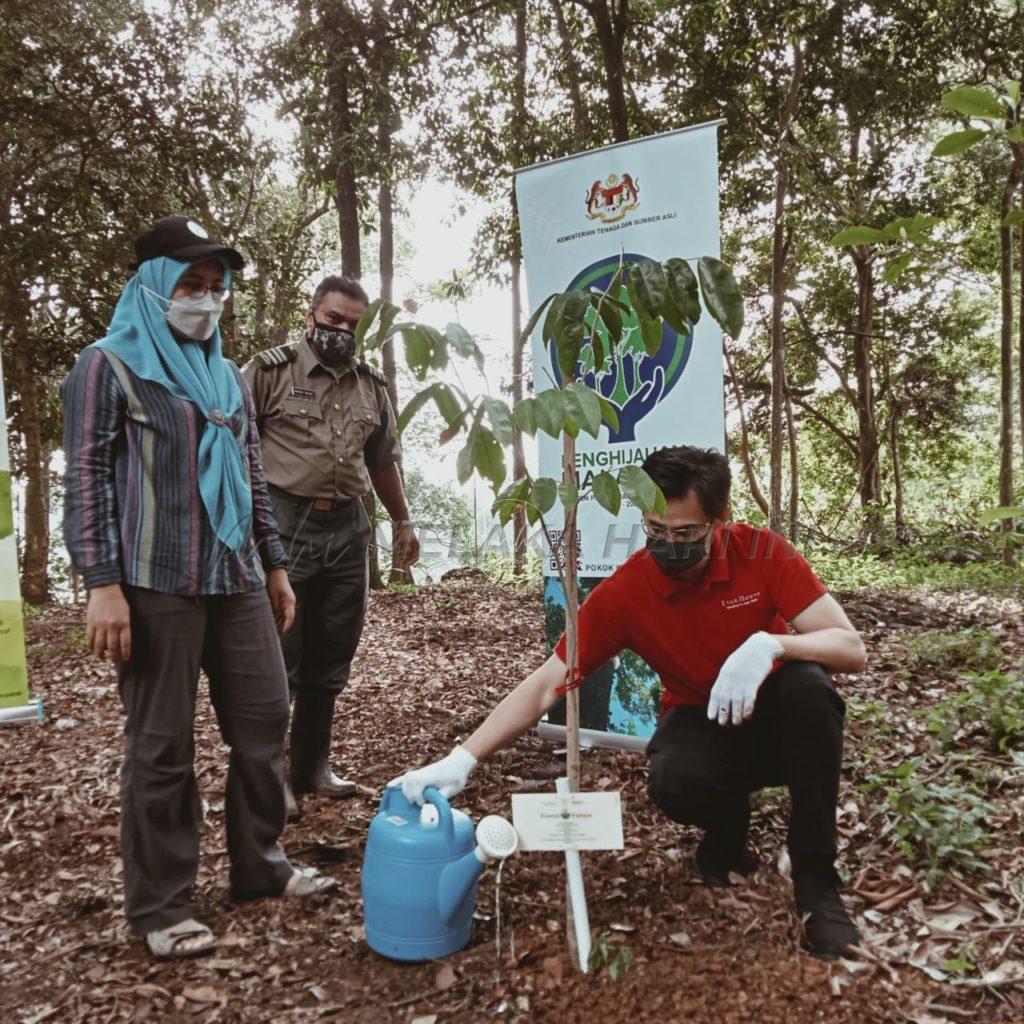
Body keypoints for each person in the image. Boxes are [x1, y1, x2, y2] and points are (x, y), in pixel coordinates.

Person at [391, 445, 867, 960]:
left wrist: (772, 645)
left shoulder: (762, 552)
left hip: (776, 708)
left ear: (720, 520)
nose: (669, 545)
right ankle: (728, 827)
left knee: (812, 692)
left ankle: (817, 884)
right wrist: (462, 759)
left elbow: (851, 648)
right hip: (700, 712)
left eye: (686, 533)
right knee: (674, 779)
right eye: (655, 530)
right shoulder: (629, 591)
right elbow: (548, 682)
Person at [61, 216, 336, 960]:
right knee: (161, 745)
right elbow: (85, 478)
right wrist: (101, 583)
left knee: (264, 717)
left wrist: (274, 564)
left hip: (234, 575)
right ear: (153, 286)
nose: (206, 299)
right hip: (153, 582)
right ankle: (162, 904)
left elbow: (250, 473)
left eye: (217, 287)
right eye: (191, 284)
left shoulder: (224, 376)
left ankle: (260, 863)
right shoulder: (107, 366)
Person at [243, 276, 419, 818]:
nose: (342, 331)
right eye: (333, 319)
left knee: (332, 654)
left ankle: (311, 766)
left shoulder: (371, 385)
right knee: (280, 656)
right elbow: (233, 449)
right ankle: (271, 778)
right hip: (283, 523)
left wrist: (403, 520)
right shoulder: (268, 372)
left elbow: (382, 460)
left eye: (352, 325)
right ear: (312, 315)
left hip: (348, 529)